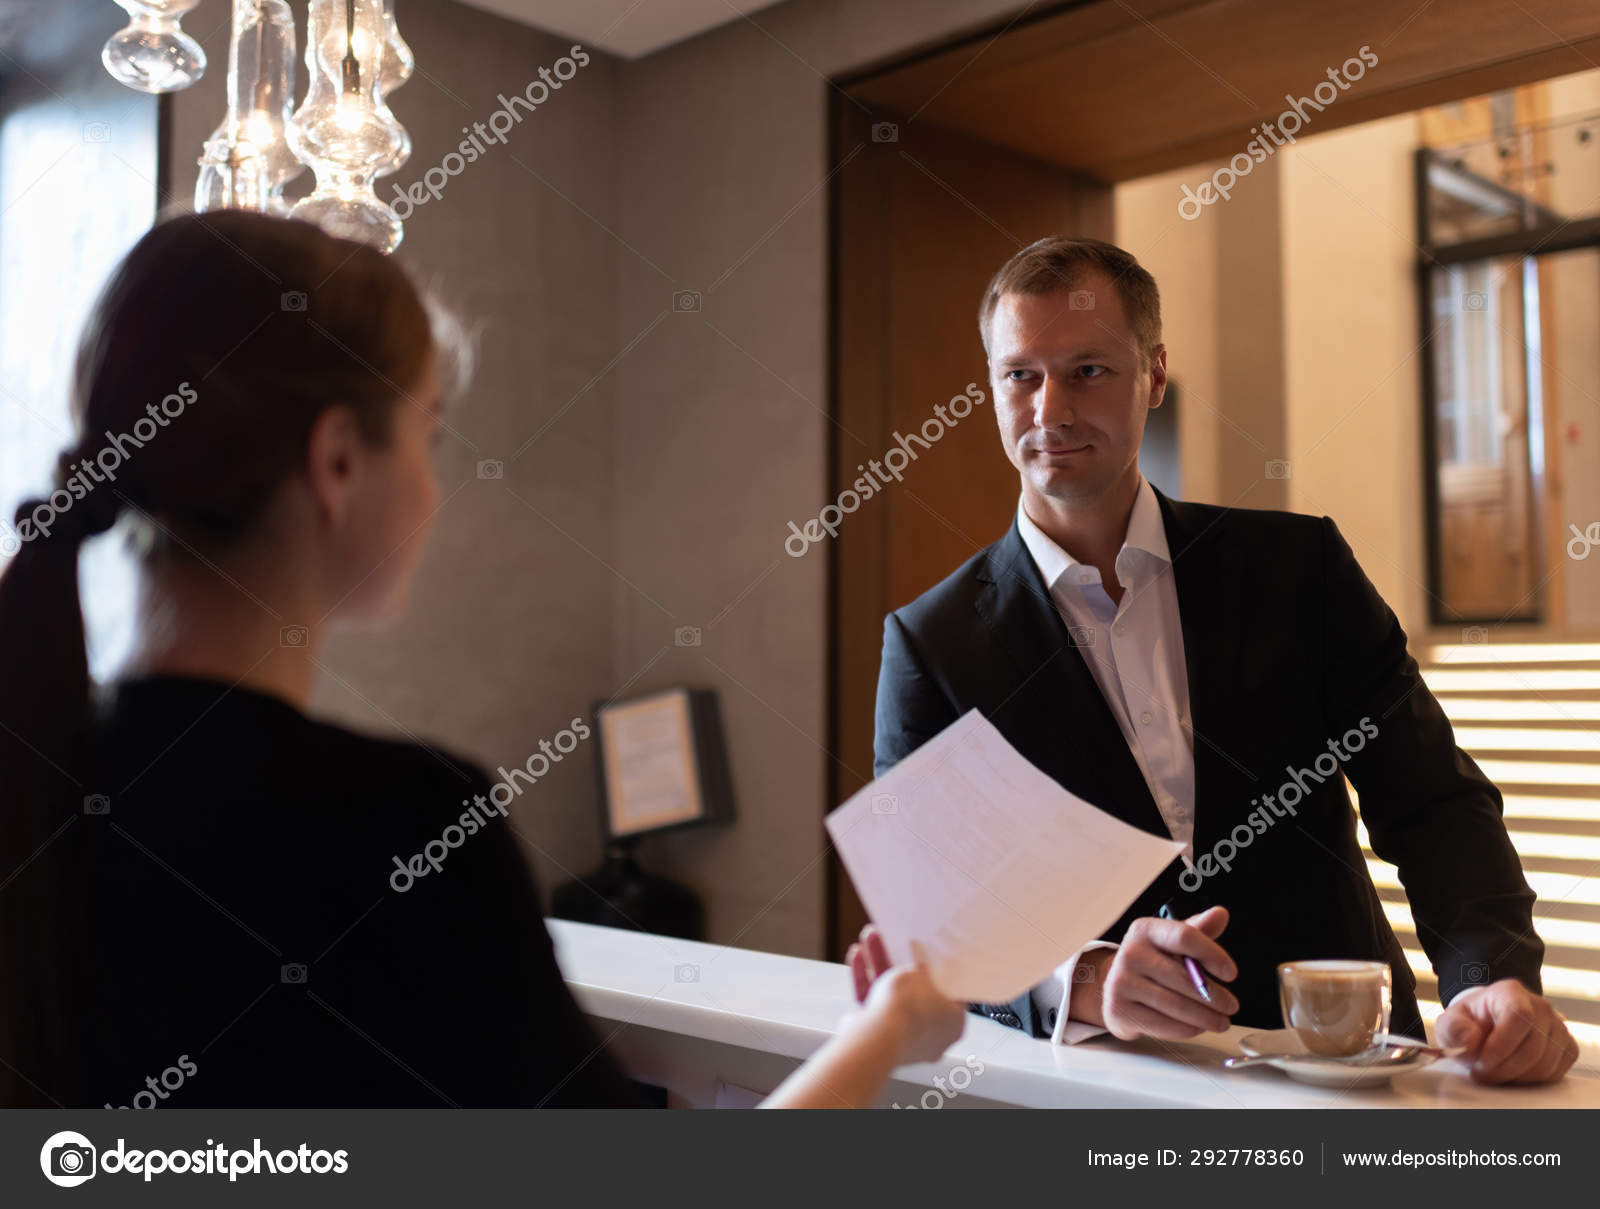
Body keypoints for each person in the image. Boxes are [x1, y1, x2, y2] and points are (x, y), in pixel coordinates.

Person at [0, 210, 961, 1109]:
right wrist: (884, 1036)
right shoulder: (399, 828)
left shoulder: (36, 771)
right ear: (337, 462)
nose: (432, 488)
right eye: (428, 435)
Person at [872, 235, 1579, 1086]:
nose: (1049, 409)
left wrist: (1491, 976)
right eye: (1021, 374)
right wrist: (1082, 981)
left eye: (1089, 369)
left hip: (1342, 1067)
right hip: (1105, 1092)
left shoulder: (1301, 570)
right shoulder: (931, 643)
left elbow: (1434, 803)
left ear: (1155, 373)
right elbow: (933, 917)